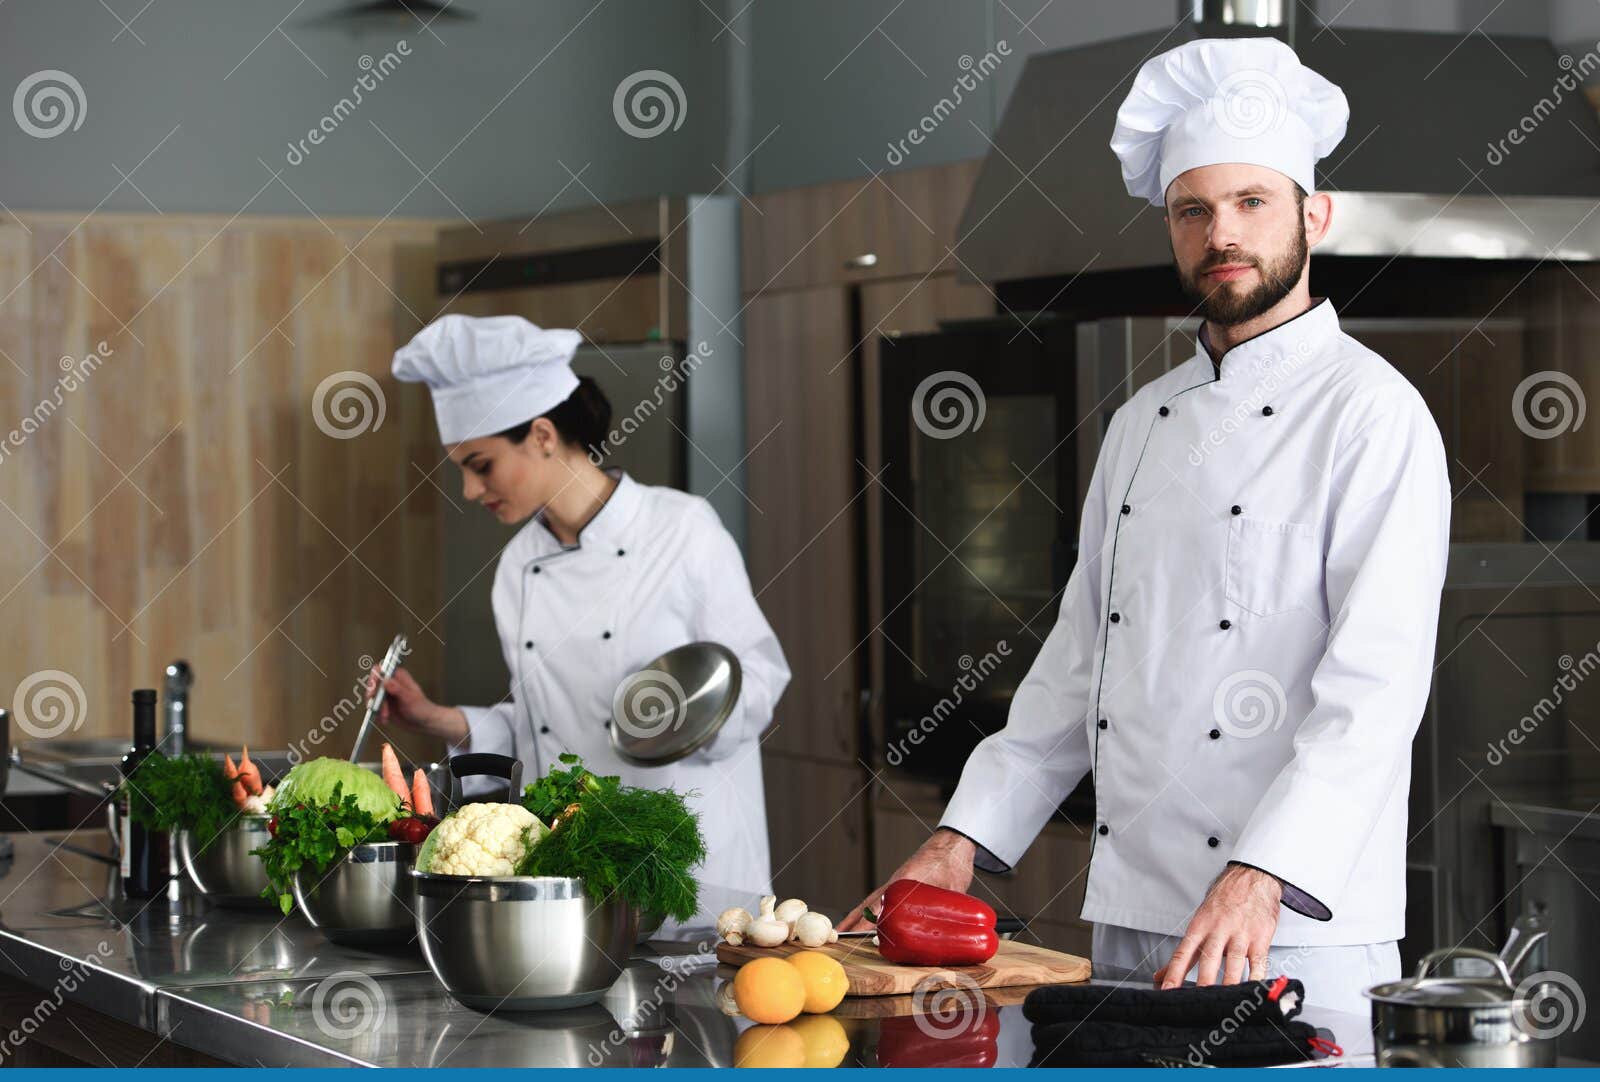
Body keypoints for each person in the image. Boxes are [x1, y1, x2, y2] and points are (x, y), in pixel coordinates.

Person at [842, 38, 1451, 1014]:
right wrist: (956, 844)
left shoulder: (1370, 414)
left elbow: (1372, 696)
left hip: (1288, 919)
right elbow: (1079, 668)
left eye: (1252, 201)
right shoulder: (1141, 423)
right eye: (1193, 210)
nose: (1223, 232)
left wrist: (1262, 872)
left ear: (1314, 214)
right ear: (1170, 229)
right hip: (1131, 911)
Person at [380, 314, 790, 934]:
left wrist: (684, 717)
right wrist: (442, 721)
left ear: (543, 435)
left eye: (481, 464)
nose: (468, 489)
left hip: (694, 881)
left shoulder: (681, 529)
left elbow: (758, 677)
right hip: (575, 883)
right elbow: (544, 725)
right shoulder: (518, 567)